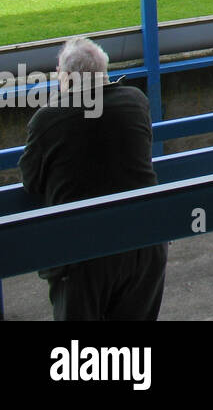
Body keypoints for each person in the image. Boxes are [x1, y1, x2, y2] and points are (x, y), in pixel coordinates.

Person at [20, 36, 168, 321]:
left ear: (67, 79)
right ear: (104, 72)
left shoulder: (46, 120)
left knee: (82, 361)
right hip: (146, 240)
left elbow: (31, 182)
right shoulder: (137, 101)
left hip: (82, 254)